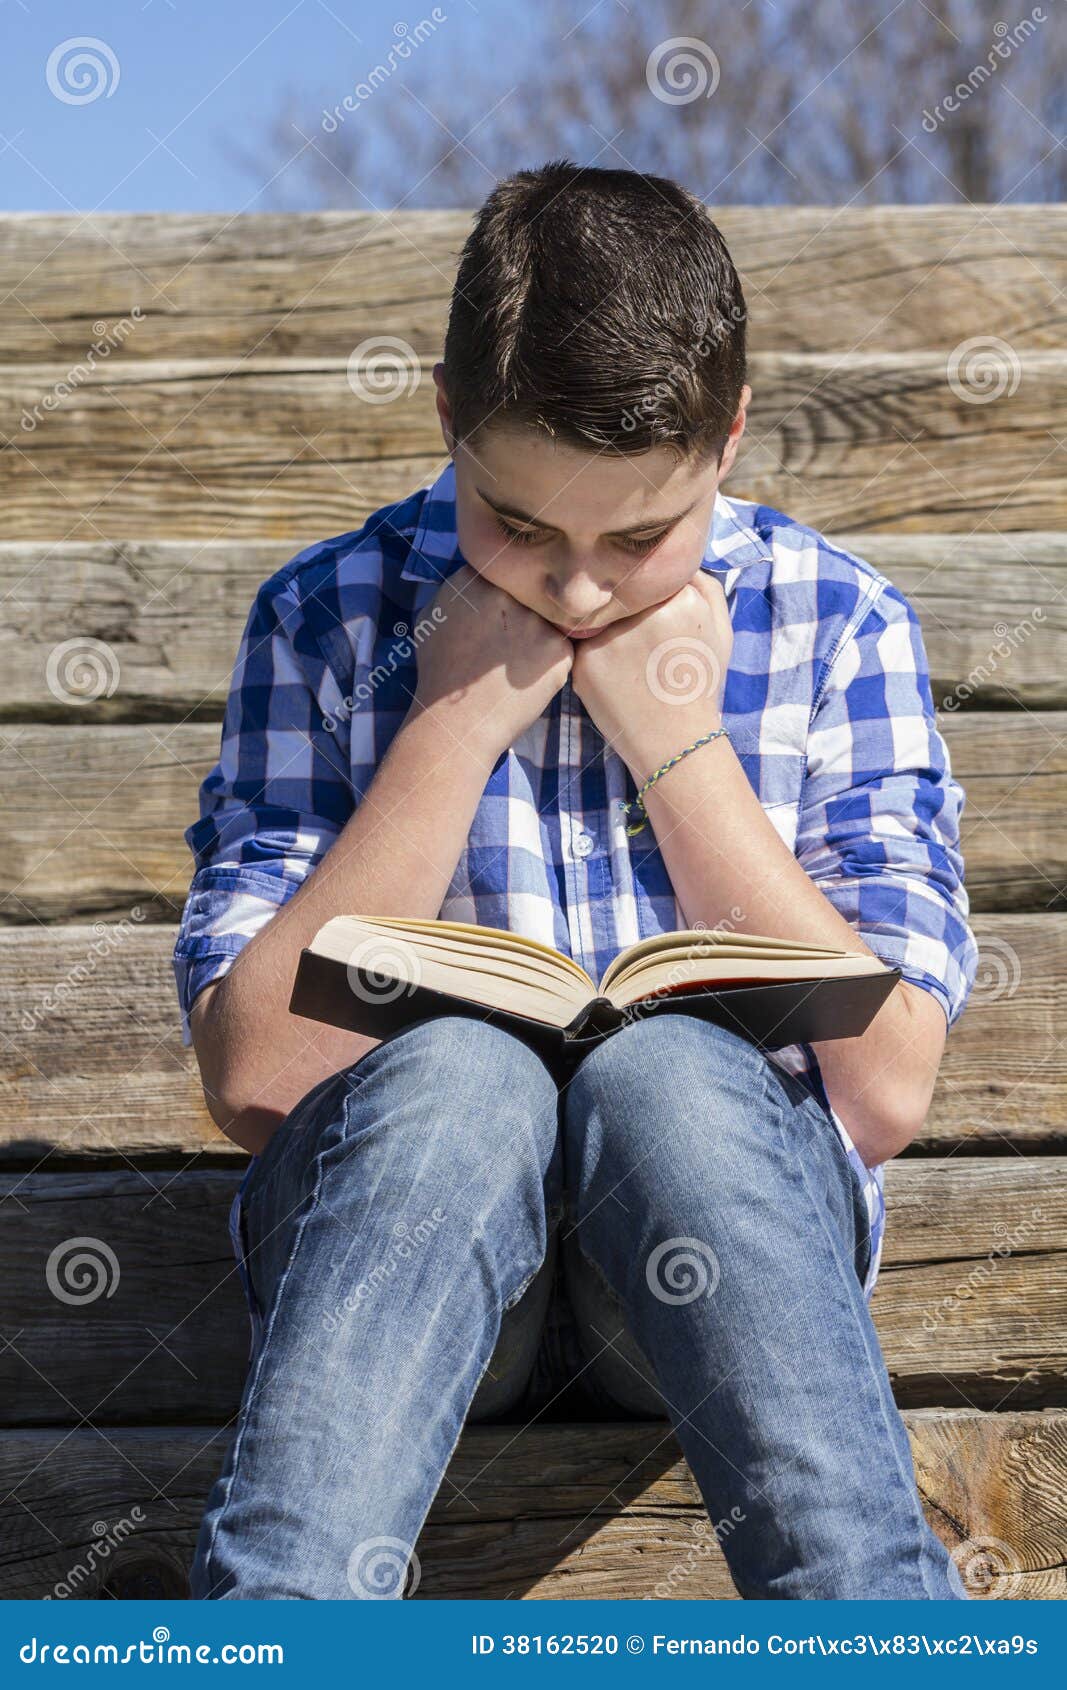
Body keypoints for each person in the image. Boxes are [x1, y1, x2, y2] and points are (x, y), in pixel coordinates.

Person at [174, 159, 978, 1601]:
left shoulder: (841, 620)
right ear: (446, 418)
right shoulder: (326, 613)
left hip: (710, 1260)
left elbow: (885, 1091)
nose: (581, 589)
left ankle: (871, 1626)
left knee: (663, 1073)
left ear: (729, 441)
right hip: (397, 1252)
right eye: (521, 525)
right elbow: (255, 1075)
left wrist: (679, 748)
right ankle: (276, 1628)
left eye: (638, 537)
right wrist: (453, 722)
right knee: (464, 1078)